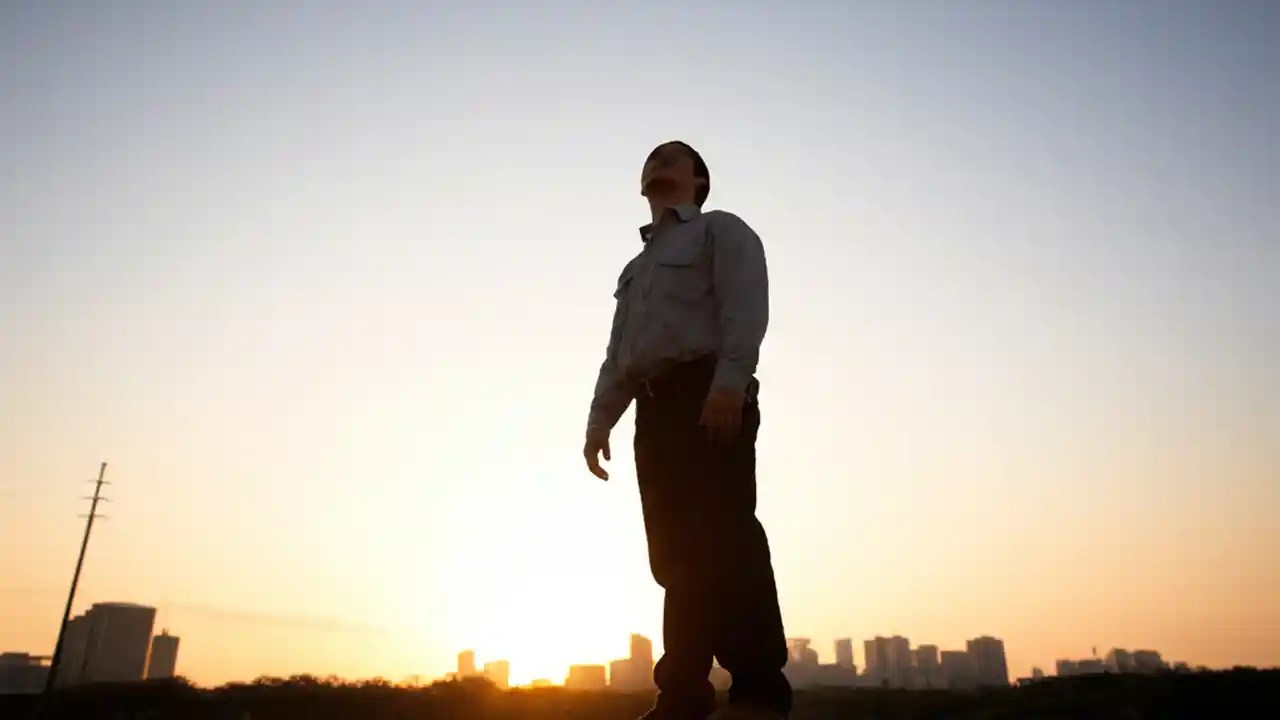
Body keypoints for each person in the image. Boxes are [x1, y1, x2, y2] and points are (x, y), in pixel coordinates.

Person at [583, 141, 791, 720]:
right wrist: (600, 422)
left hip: (708, 396)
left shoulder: (719, 231)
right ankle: (684, 694)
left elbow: (745, 307)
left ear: (699, 179)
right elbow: (618, 354)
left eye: (673, 158)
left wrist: (729, 384)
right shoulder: (636, 268)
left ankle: (758, 689)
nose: (657, 165)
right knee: (676, 558)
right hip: (653, 413)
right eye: (651, 159)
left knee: (726, 537)